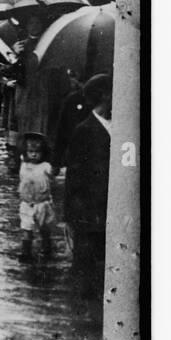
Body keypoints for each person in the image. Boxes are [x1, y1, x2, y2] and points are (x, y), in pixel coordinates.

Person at [64, 76, 111, 306]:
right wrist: (71, 217)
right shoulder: (84, 130)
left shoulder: (122, 128)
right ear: (104, 96)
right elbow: (73, 177)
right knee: (85, 268)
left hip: (109, 208)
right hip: (88, 211)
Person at [17, 132, 55, 263]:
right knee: (26, 228)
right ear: (25, 152)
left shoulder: (45, 166)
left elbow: (53, 175)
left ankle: (47, 247)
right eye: (30, 151)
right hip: (27, 204)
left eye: (37, 152)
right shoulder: (23, 165)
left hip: (42, 203)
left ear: (43, 152)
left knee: (44, 228)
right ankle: (25, 252)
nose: (33, 154)